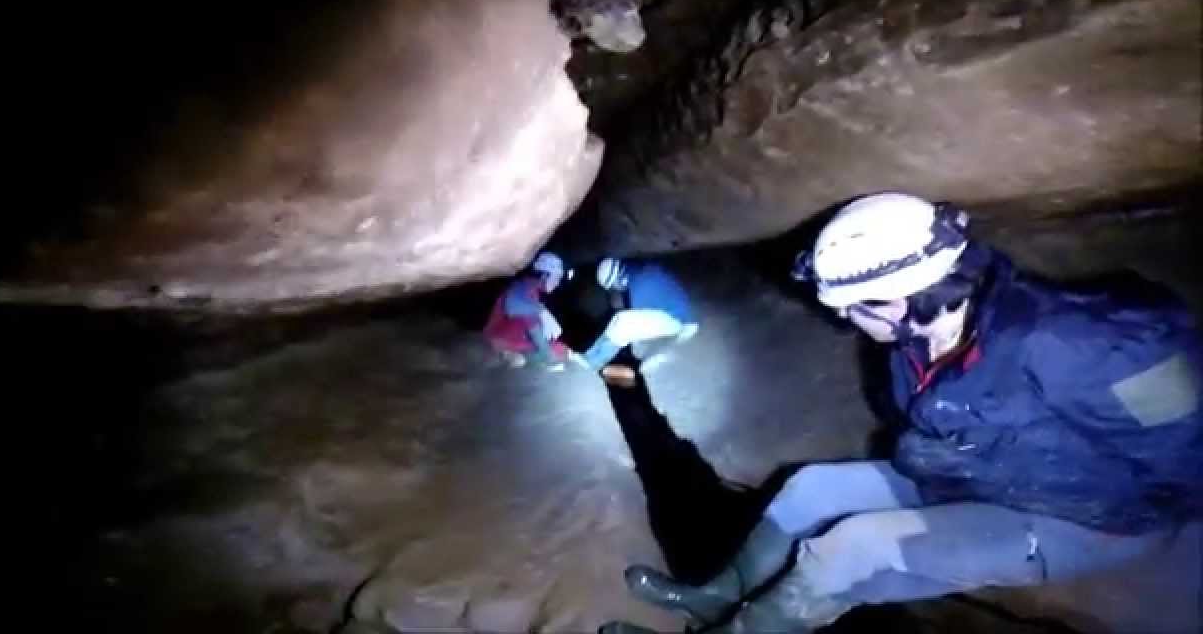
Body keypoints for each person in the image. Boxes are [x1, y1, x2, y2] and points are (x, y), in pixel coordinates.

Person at [604, 192, 1203, 633]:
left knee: (852, 549)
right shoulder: (918, 340)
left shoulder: (1085, 345)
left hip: (1092, 520)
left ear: (899, 299)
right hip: (981, 475)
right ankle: (716, 596)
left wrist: (1079, 503)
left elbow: (1186, 449)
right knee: (810, 490)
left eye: (852, 309)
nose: (845, 321)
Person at [583, 257, 700, 370]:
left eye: (613, 285)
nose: (616, 288)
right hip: (673, 310)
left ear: (618, 278)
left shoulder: (639, 287)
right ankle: (590, 354)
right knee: (619, 318)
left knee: (623, 328)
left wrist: (629, 341)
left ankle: (594, 361)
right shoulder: (635, 273)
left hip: (679, 320)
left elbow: (635, 327)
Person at [483, 251, 575, 371]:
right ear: (544, 276)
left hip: (515, 338)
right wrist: (541, 311)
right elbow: (513, 307)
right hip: (499, 337)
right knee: (531, 319)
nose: (557, 283)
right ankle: (546, 358)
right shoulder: (521, 286)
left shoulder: (533, 290)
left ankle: (520, 355)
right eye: (556, 278)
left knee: (561, 348)